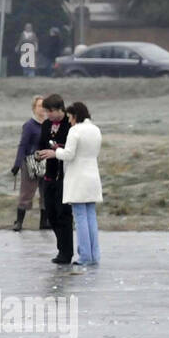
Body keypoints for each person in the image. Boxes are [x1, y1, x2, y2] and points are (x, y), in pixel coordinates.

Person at [49, 101, 102, 268]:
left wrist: (55, 152)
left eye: (70, 117)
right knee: (91, 216)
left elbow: (69, 154)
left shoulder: (75, 131)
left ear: (76, 116)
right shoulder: (95, 130)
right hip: (92, 175)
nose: (69, 120)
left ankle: (85, 256)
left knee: (80, 218)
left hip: (78, 178)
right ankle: (94, 254)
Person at [35, 93, 75, 265]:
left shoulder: (70, 124)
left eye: (51, 111)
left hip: (65, 176)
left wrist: (57, 150)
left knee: (63, 214)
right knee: (51, 214)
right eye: (46, 111)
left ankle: (66, 252)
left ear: (61, 109)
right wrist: (39, 154)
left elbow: (72, 149)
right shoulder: (46, 125)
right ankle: (61, 248)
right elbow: (41, 145)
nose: (48, 115)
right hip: (49, 175)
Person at [9, 96, 46, 231]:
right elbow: (22, 145)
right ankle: (19, 222)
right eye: (39, 106)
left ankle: (44, 222)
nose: (41, 108)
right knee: (26, 194)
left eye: (43, 106)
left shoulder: (49, 124)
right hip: (30, 162)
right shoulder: (29, 125)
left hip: (46, 161)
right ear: (34, 108)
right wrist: (17, 164)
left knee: (45, 193)